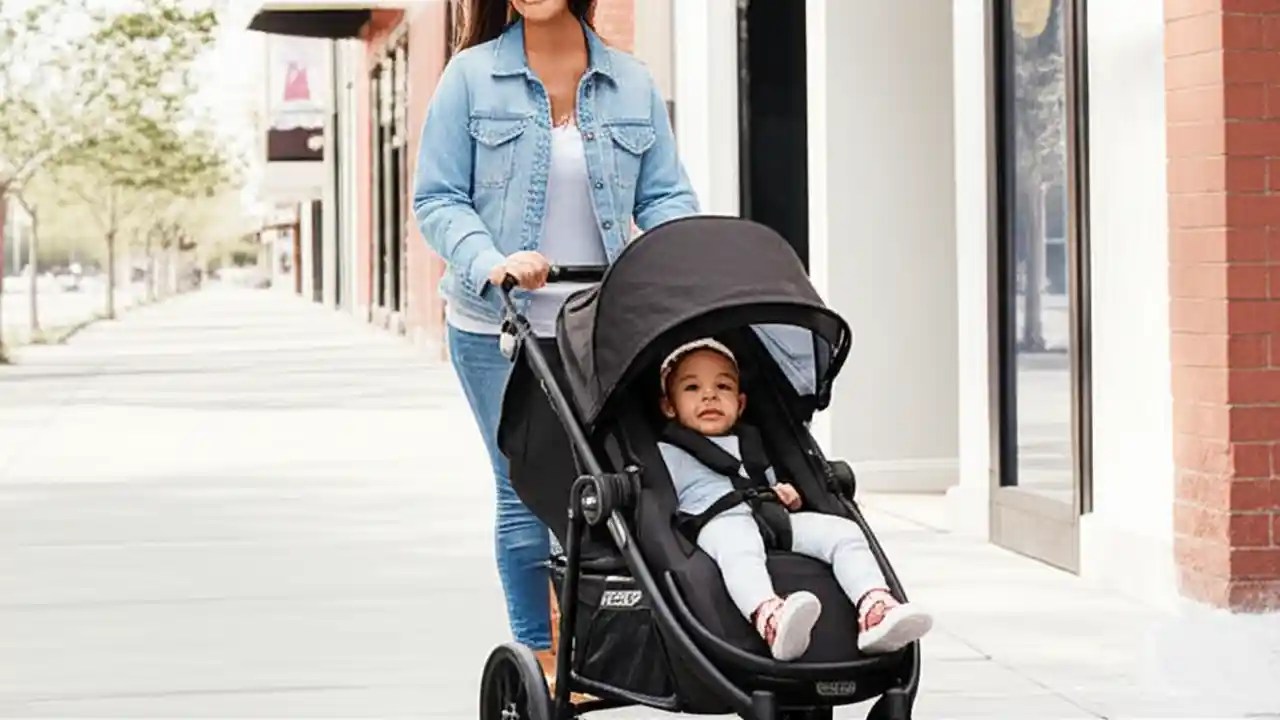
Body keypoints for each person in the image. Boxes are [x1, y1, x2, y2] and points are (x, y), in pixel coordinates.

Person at [412, 0, 699, 686]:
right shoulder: (469, 77)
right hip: (497, 328)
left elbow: (665, 196)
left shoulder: (631, 81)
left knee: (608, 489)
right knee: (523, 489)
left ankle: (601, 642)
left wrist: (676, 253)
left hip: (598, 327)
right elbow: (437, 198)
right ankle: (541, 659)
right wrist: (491, 260)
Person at [656, 339, 934, 661]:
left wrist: (788, 496)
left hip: (769, 517)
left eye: (723, 386)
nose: (709, 395)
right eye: (692, 387)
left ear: (741, 403)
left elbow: (767, 485)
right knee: (739, 545)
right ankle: (770, 618)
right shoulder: (667, 453)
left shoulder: (752, 443)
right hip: (717, 524)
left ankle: (874, 608)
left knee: (843, 532)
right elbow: (660, 502)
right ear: (669, 406)